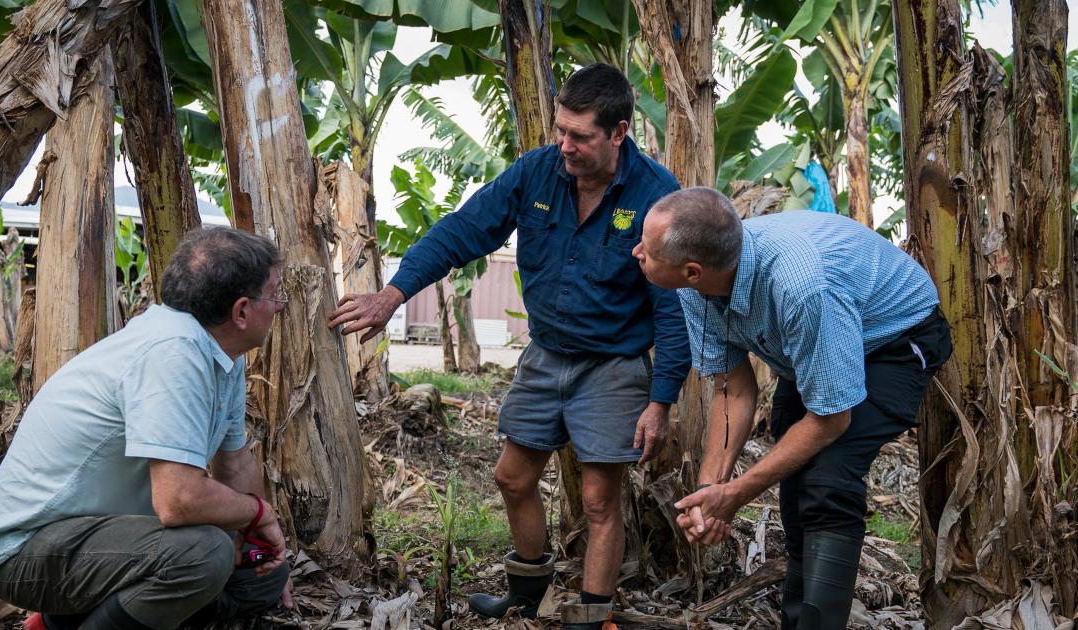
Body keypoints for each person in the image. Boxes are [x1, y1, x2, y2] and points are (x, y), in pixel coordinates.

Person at [328, 63, 691, 629]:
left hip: (615, 363)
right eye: (559, 130)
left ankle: (590, 619)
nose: (564, 146)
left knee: (599, 498)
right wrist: (393, 295)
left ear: (619, 132)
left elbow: (674, 310)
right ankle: (528, 595)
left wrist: (660, 400)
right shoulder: (538, 172)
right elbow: (462, 229)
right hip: (546, 353)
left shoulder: (657, 195)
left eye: (580, 136)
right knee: (512, 477)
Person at [633, 187, 952, 630]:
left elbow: (830, 419)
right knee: (796, 480)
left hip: (892, 341)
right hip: (812, 344)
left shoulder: (800, 286)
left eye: (647, 250)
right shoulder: (693, 287)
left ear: (691, 270)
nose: (636, 253)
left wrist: (737, 495)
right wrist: (710, 494)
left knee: (828, 478)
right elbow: (733, 391)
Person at [0, 227, 294, 630]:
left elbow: (235, 463)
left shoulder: (220, 352)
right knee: (203, 555)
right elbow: (179, 500)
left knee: (263, 576)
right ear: (241, 312)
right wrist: (258, 511)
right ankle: (69, 621)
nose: (279, 306)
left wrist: (258, 534)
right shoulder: (174, 353)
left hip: (96, 536)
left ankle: (63, 621)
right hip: (26, 550)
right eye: (275, 294)